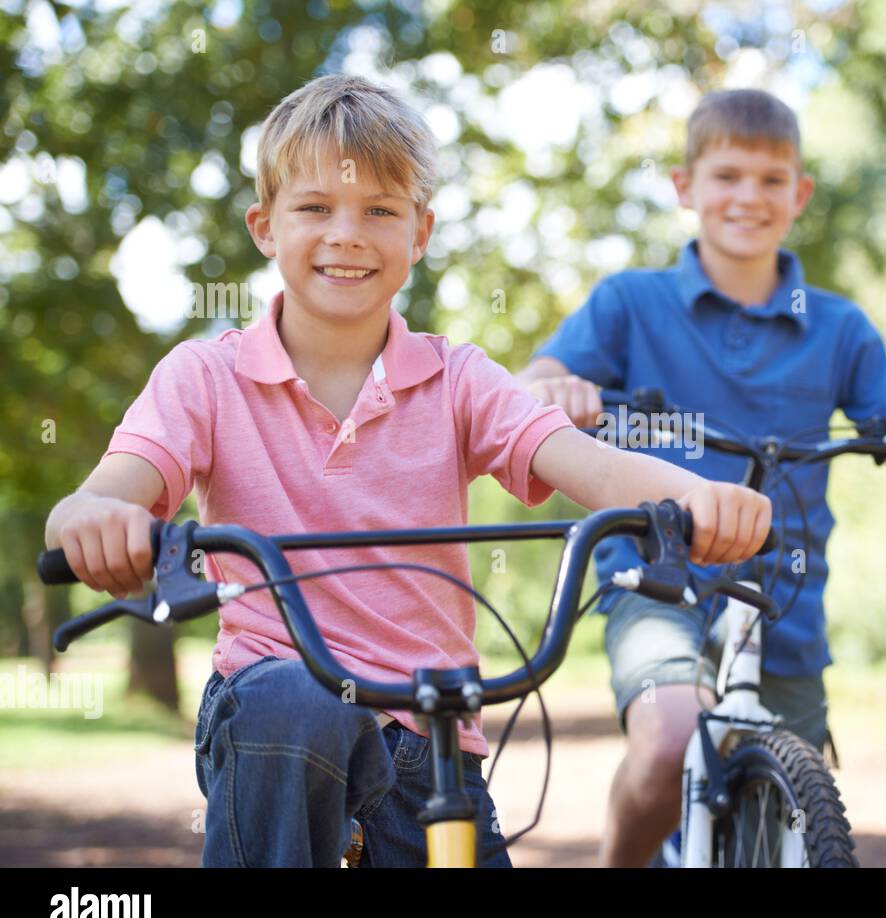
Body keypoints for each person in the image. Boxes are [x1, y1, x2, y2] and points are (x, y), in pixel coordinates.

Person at [42, 74, 774, 868]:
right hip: (279, 724)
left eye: (380, 211)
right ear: (264, 226)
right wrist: (93, 518)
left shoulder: (458, 379)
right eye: (315, 208)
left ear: (420, 233)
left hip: (431, 738)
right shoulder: (203, 379)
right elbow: (103, 493)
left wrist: (699, 498)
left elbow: (589, 467)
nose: (347, 235)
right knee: (295, 701)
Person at [515, 88, 886, 867]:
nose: (749, 196)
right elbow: (535, 380)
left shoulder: (838, 326)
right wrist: (554, 387)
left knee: (790, 821)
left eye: (772, 179)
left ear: (800, 194)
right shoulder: (629, 304)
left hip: (786, 595)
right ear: (685, 188)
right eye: (727, 175)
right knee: (670, 738)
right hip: (657, 574)